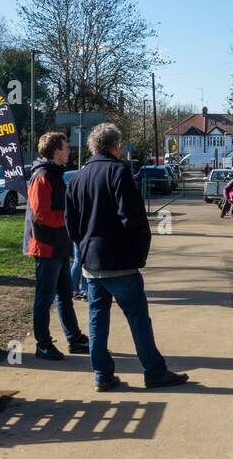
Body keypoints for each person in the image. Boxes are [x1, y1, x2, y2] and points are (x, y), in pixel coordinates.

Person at [66, 122, 189, 392]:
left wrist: (83, 246)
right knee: (137, 318)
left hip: (91, 261)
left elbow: (71, 222)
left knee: (97, 318)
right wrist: (139, 250)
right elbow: (132, 218)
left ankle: (102, 375)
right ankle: (154, 372)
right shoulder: (118, 173)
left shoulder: (77, 177)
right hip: (119, 260)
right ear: (115, 146)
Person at [25, 132, 88, 360]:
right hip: (47, 247)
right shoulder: (42, 176)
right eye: (66, 148)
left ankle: (74, 339)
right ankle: (42, 345)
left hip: (59, 246)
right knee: (44, 298)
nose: (69, 151)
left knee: (64, 295)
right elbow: (42, 215)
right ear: (56, 151)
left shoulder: (54, 174)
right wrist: (70, 216)